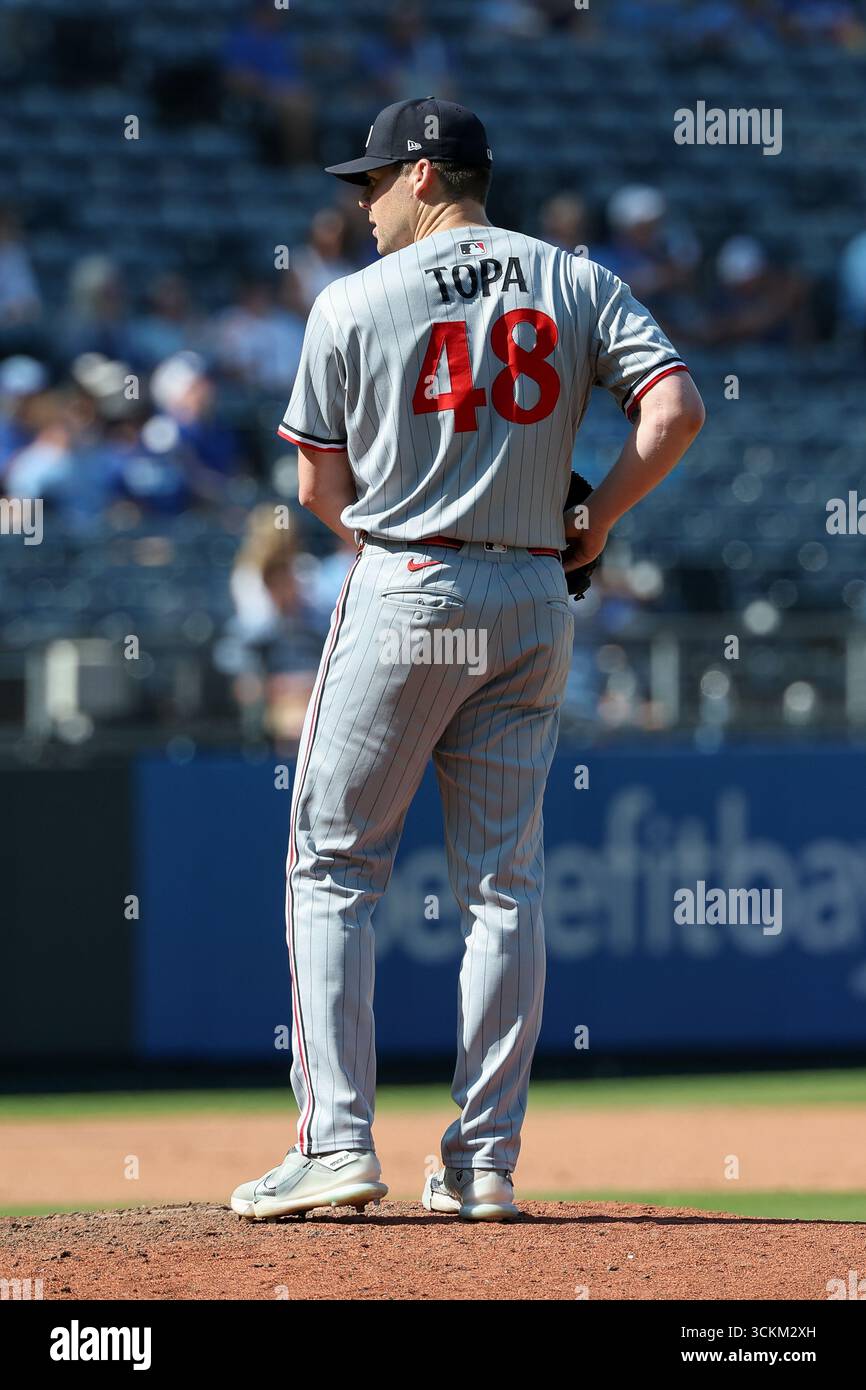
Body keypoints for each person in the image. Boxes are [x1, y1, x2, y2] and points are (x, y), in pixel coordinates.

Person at [231, 97, 704, 1224]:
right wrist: (598, 523)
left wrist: (398, 561)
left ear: (430, 176)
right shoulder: (575, 279)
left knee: (335, 864)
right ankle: (482, 1162)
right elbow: (674, 410)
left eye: (376, 178)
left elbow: (314, 491)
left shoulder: (353, 300)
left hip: (407, 579)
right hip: (537, 590)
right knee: (503, 883)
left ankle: (336, 1142)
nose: (363, 198)